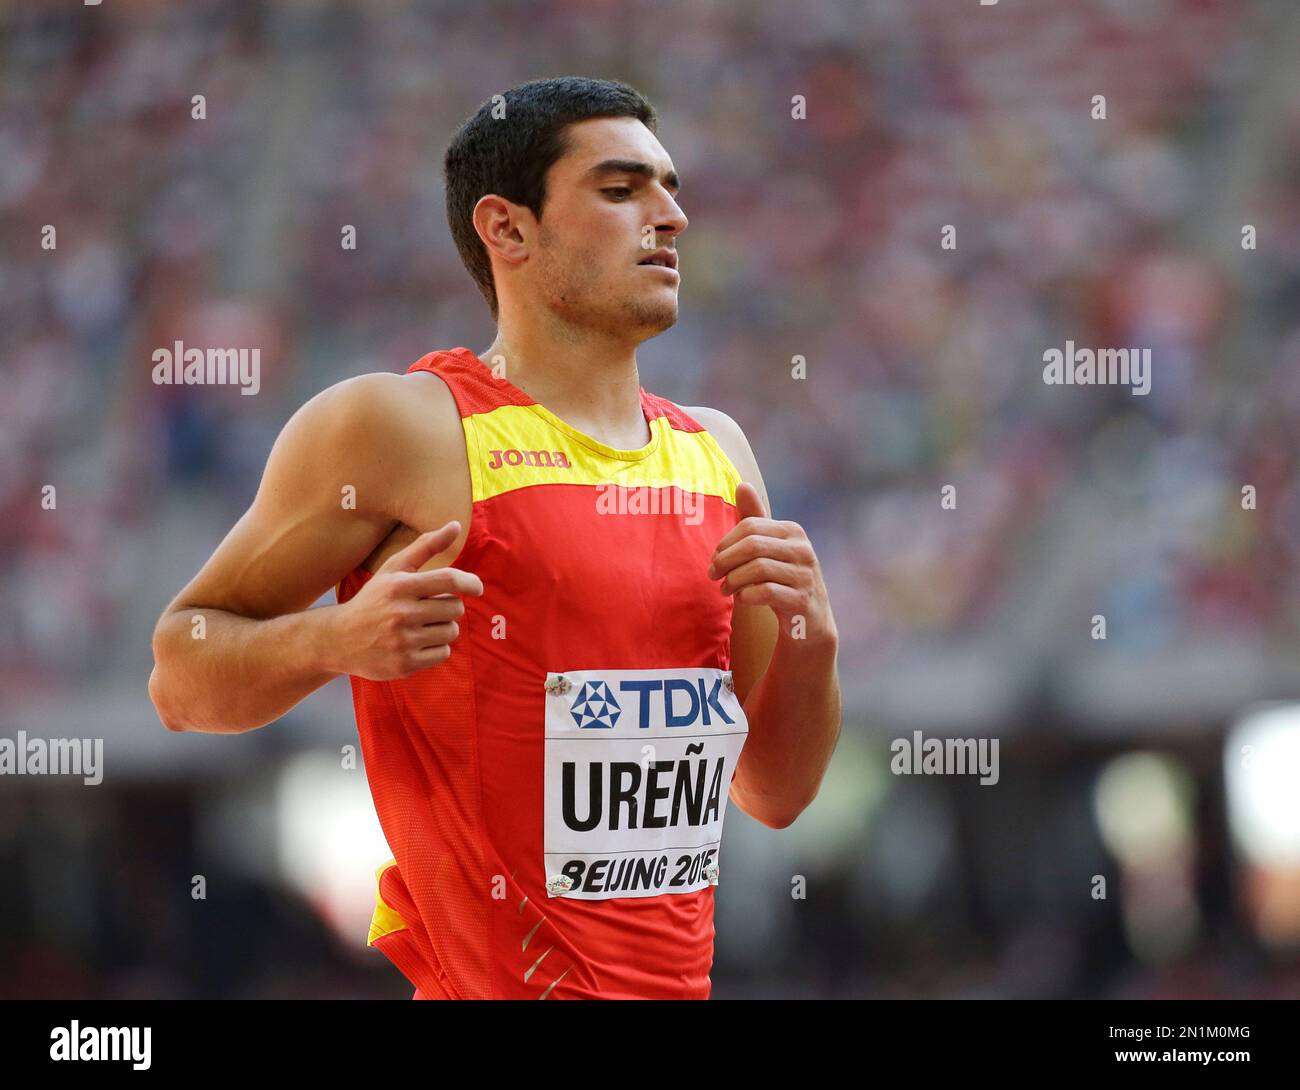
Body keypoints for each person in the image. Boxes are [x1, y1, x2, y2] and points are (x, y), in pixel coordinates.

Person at [149, 76, 841, 999]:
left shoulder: (718, 456)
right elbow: (179, 678)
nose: (670, 216)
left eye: (672, 188)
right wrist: (334, 641)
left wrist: (813, 643)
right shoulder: (399, 429)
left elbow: (777, 793)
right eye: (622, 188)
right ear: (507, 229)